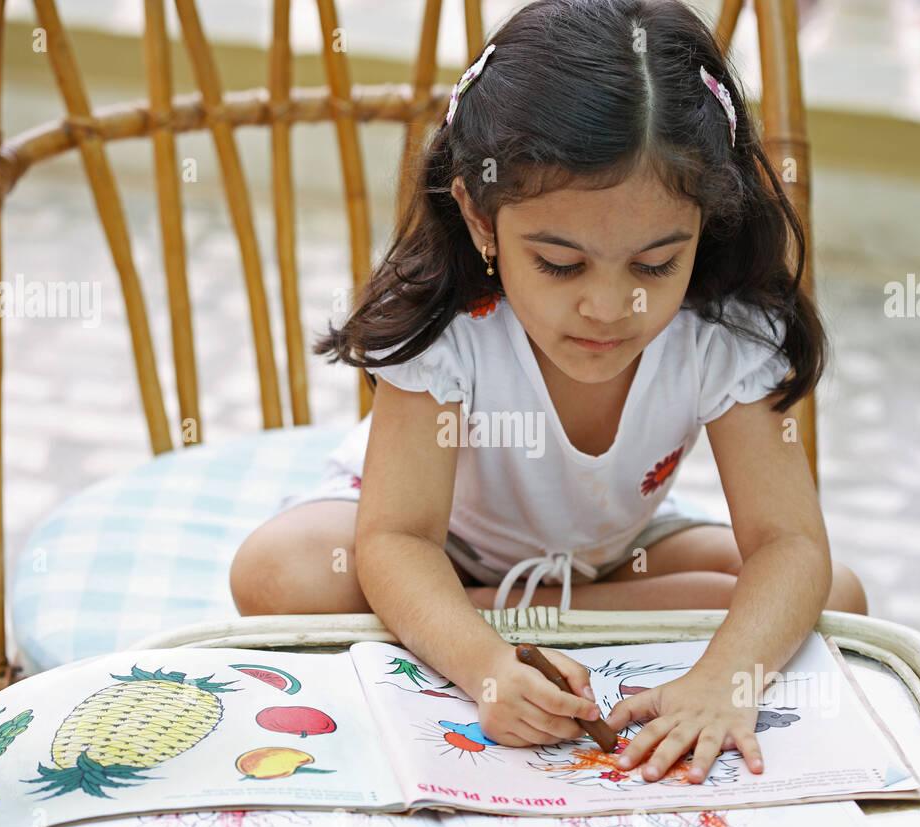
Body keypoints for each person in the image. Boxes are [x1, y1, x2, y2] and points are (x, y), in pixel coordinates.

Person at [231, 0, 868, 783]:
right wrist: (485, 665)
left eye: (655, 265)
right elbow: (395, 540)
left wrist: (721, 682)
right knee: (278, 574)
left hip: (613, 555)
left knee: (837, 593)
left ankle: (508, 613)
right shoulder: (452, 328)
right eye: (561, 266)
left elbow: (790, 544)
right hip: (441, 546)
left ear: (708, 222)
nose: (607, 308)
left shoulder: (723, 331)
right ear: (479, 216)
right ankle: (486, 617)